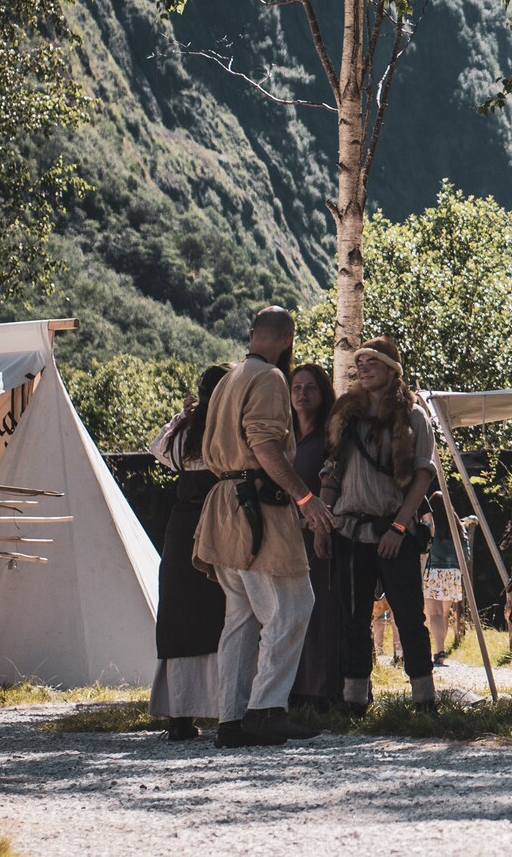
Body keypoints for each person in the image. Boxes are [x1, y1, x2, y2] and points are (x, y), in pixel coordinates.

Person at [191, 307, 335, 749]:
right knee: (293, 607)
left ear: (253, 335)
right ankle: (266, 711)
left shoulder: (230, 377)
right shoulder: (270, 379)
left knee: (241, 618)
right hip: (257, 509)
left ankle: (231, 719)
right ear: (290, 341)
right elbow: (264, 445)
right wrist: (306, 499)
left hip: (225, 506)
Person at [322, 338, 440, 711]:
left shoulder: (413, 417)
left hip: (394, 529)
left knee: (409, 616)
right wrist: (322, 522)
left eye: (373, 362)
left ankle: (424, 701)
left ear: (392, 369)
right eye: (360, 362)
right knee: (353, 620)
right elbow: (333, 472)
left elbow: (422, 477)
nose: (364, 367)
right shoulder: (346, 416)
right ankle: (354, 702)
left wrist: (399, 528)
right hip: (350, 530)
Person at [145, 364, 231, 740]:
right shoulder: (227, 431)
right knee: (219, 612)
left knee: (183, 616)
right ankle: (224, 707)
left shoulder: (183, 431)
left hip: (183, 527)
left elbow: (162, 451)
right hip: (218, 523)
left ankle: (179, 714)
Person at [287, 363, 341, 711]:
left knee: (321, 612)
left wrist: (322, 528)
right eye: (297, 387)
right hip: (284, 538)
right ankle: (290, 689)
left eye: (310, 388)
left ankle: (321, 691)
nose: (302, 394)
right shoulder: (282, 437)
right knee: (288, 614)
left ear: (323, 395)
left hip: (316, 536)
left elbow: (331, 483)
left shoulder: (329, 438)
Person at [421, 507, 465, 669]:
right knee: (444, 614)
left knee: (434, 614)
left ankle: (439, 651)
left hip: (434, 572)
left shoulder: (431, 527)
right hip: (453, 573)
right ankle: (441, 649)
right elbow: (465, 553)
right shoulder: (458, 528)